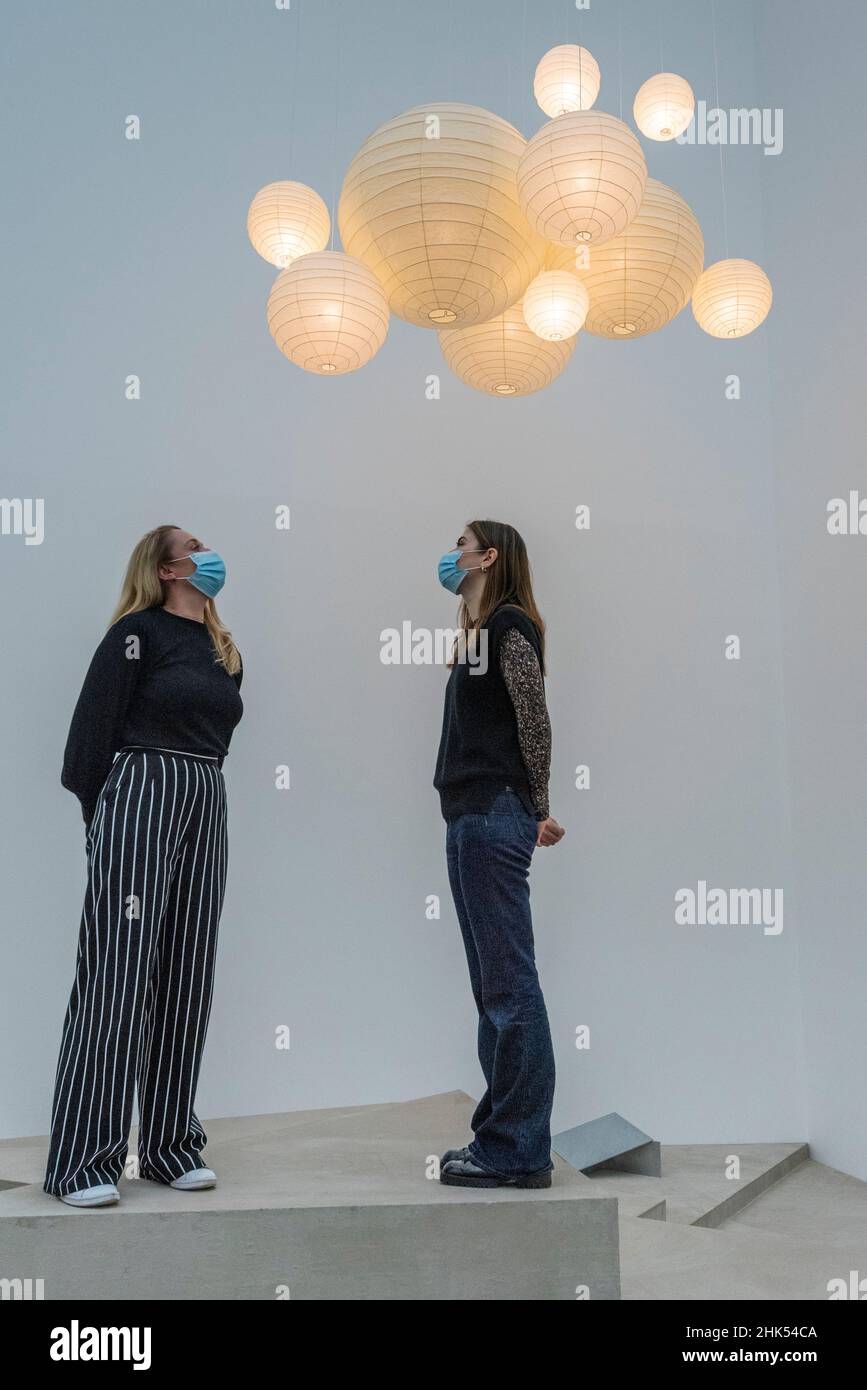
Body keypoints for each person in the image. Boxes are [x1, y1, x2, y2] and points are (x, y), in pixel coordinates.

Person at [43, 525, 243, 1207]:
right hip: (140, 790)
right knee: (117, 971)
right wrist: (104, 823)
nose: (210, 551)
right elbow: (88, 736)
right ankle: (82, 1162)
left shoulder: (224, 650)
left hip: (204, 794)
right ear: (166, 568)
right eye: (196, 544)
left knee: (189, 969)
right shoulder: (136, 633)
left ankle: (167, 1146)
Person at [434, 520, 565, 1189]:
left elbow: (532, 719)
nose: (449, 553)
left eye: (459, 543)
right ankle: (499, 1139)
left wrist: (536, 806)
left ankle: (517, 1151)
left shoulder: (510, 625)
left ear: (488, 556)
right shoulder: (477, 634)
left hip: (494, 813)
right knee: (495, 989)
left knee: (510, 988)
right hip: (470, 814)